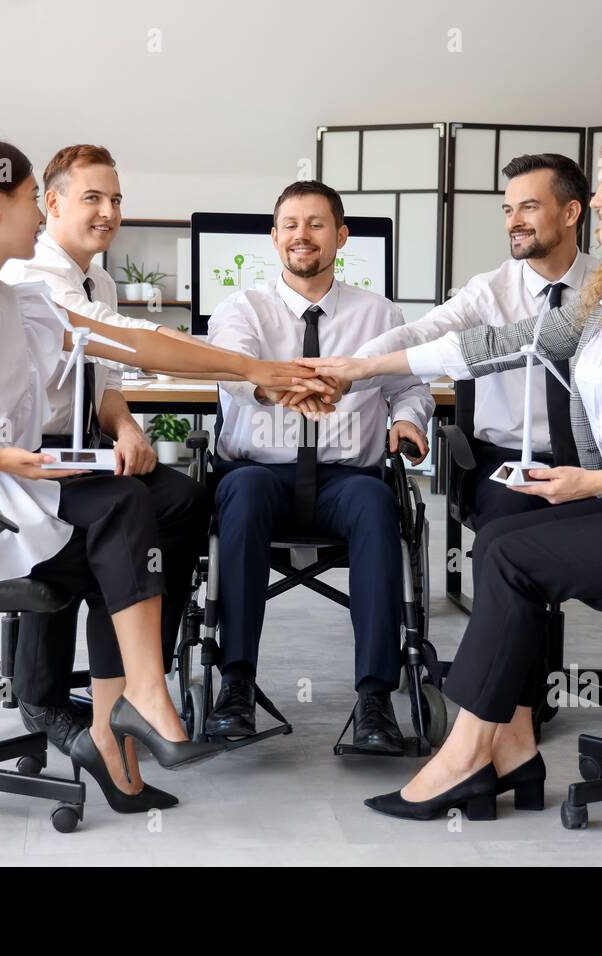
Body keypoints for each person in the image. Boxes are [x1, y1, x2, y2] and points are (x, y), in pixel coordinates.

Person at [301, 123, 602, 819]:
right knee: (502, 541)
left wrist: (592, 483)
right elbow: (504, 341)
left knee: (512, 559)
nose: (594, 200)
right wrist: (364, 366)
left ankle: (471, 754)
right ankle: (515, 748)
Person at [0, 136, 328, 812]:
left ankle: (128, 715)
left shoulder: (18, 301)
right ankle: (112, 715)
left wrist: (256, 370)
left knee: (132, 512)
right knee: (123, 522)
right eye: (27, 204)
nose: (38, 219)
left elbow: (134, 342)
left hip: (6, 488)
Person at [354, 153, 602, 748]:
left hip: (599, 464)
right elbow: (422, 334)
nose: (514, 221)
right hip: (512, 459)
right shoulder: (488, 292)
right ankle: (518, 692)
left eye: (529, 207)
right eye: (508, 210)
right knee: (507, 531)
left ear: (571, 211)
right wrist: (353, 366)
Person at [0, 145, 211, 807]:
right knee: (119, 511)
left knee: (181, 500)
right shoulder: (31, 274)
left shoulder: (104, 281)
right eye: (93, 197)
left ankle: (120, 690)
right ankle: (59, 701)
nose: (109, 211)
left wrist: (125, 427)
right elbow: (112, 339)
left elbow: (105, 383)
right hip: (24, 456)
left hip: (83, 448)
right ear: (53, 203)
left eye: (116, 198)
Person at [203, 180, 434, 754]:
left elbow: (409, 385)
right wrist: (278, 389)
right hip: (260, 472)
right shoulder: (243, 308)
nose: (301, 236)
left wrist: (407, 420)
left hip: (344, 479)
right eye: (290, 225)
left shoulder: (378, 314)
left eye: (316, 224)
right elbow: (234, 370)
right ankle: (235, 685)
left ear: (342, 236)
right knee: (246, 492)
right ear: (274, 237)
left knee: (379, 504)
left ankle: (376, 699)